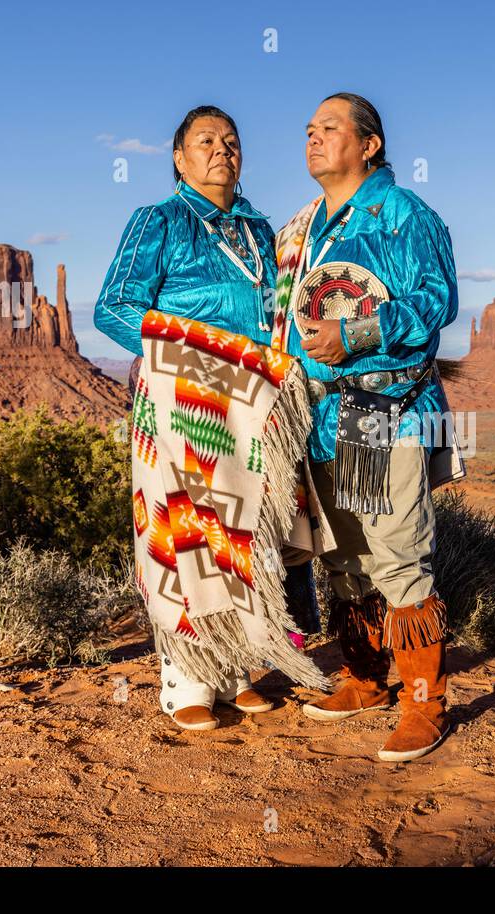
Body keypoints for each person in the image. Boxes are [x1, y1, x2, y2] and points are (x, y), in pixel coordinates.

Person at [95, 105, 328, 732]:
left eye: (231, 140)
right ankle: (187, 680)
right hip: (181, 405)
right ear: (179, 157)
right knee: (186, 535)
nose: (221, 150)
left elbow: (282, 311)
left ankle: (240, 670)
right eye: (205, 141)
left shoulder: (260, 230)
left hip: (254, 407)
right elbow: (114, 309)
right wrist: (194, 358)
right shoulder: (159, 222)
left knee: (246, 533)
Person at [270, 93, 465, 762]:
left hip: (381, 407)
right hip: (319, 413)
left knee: (397, 556)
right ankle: (362, 678)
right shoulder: (302, 228)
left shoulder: (402, 214)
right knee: (345, 554)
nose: (313, 138)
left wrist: (356, 333)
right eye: (308, 129)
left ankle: (424, 704)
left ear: (370, 144)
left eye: (329, 128)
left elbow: (436, 300)